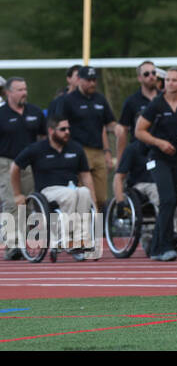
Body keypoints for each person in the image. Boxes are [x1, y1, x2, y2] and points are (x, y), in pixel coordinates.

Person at [133, 67, 177, 261]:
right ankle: (166, 245)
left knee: (174, 198)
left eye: (174, 80)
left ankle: (155, 247)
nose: (170, 83)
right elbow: (139, 131)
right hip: (158, 158)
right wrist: (159, 143)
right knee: (168, 198)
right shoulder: (156, 105)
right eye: (168, 80)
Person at [10, 114, 95, 258]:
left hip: (71, 188)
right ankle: (68, 238)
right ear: (51, 131)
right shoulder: (37, 149)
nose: (67, 132)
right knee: (70, 194)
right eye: (62, 129)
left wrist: (94, 202)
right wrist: (17, 194)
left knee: (85, 192)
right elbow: (15, 167)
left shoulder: (76, 148)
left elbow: (86, 175)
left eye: (68, 129)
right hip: (47, 191)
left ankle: (81, 239)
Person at [49, 65, 116, 211]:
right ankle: (80, 228)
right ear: (79, 80)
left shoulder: (100, 99)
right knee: (82, 195)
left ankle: (97, 230)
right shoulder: (67, 101)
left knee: (100, 196)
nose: (92, 83)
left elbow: (108, 124)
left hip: (98, 151)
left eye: (94, 80)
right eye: (88, 80)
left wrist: (119, 130)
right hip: (78, 150)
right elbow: (59, 126)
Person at [0, 77, 45, 258]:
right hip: (6, 163)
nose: (24, 92)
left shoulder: (35, 112)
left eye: (25, 89)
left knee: (27, 203)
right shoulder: (1, 114)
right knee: (12, 202)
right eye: (19, 89)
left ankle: (21, 241)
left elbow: (43, 138)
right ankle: (12, 246)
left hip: (29, 164)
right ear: (8, 92)